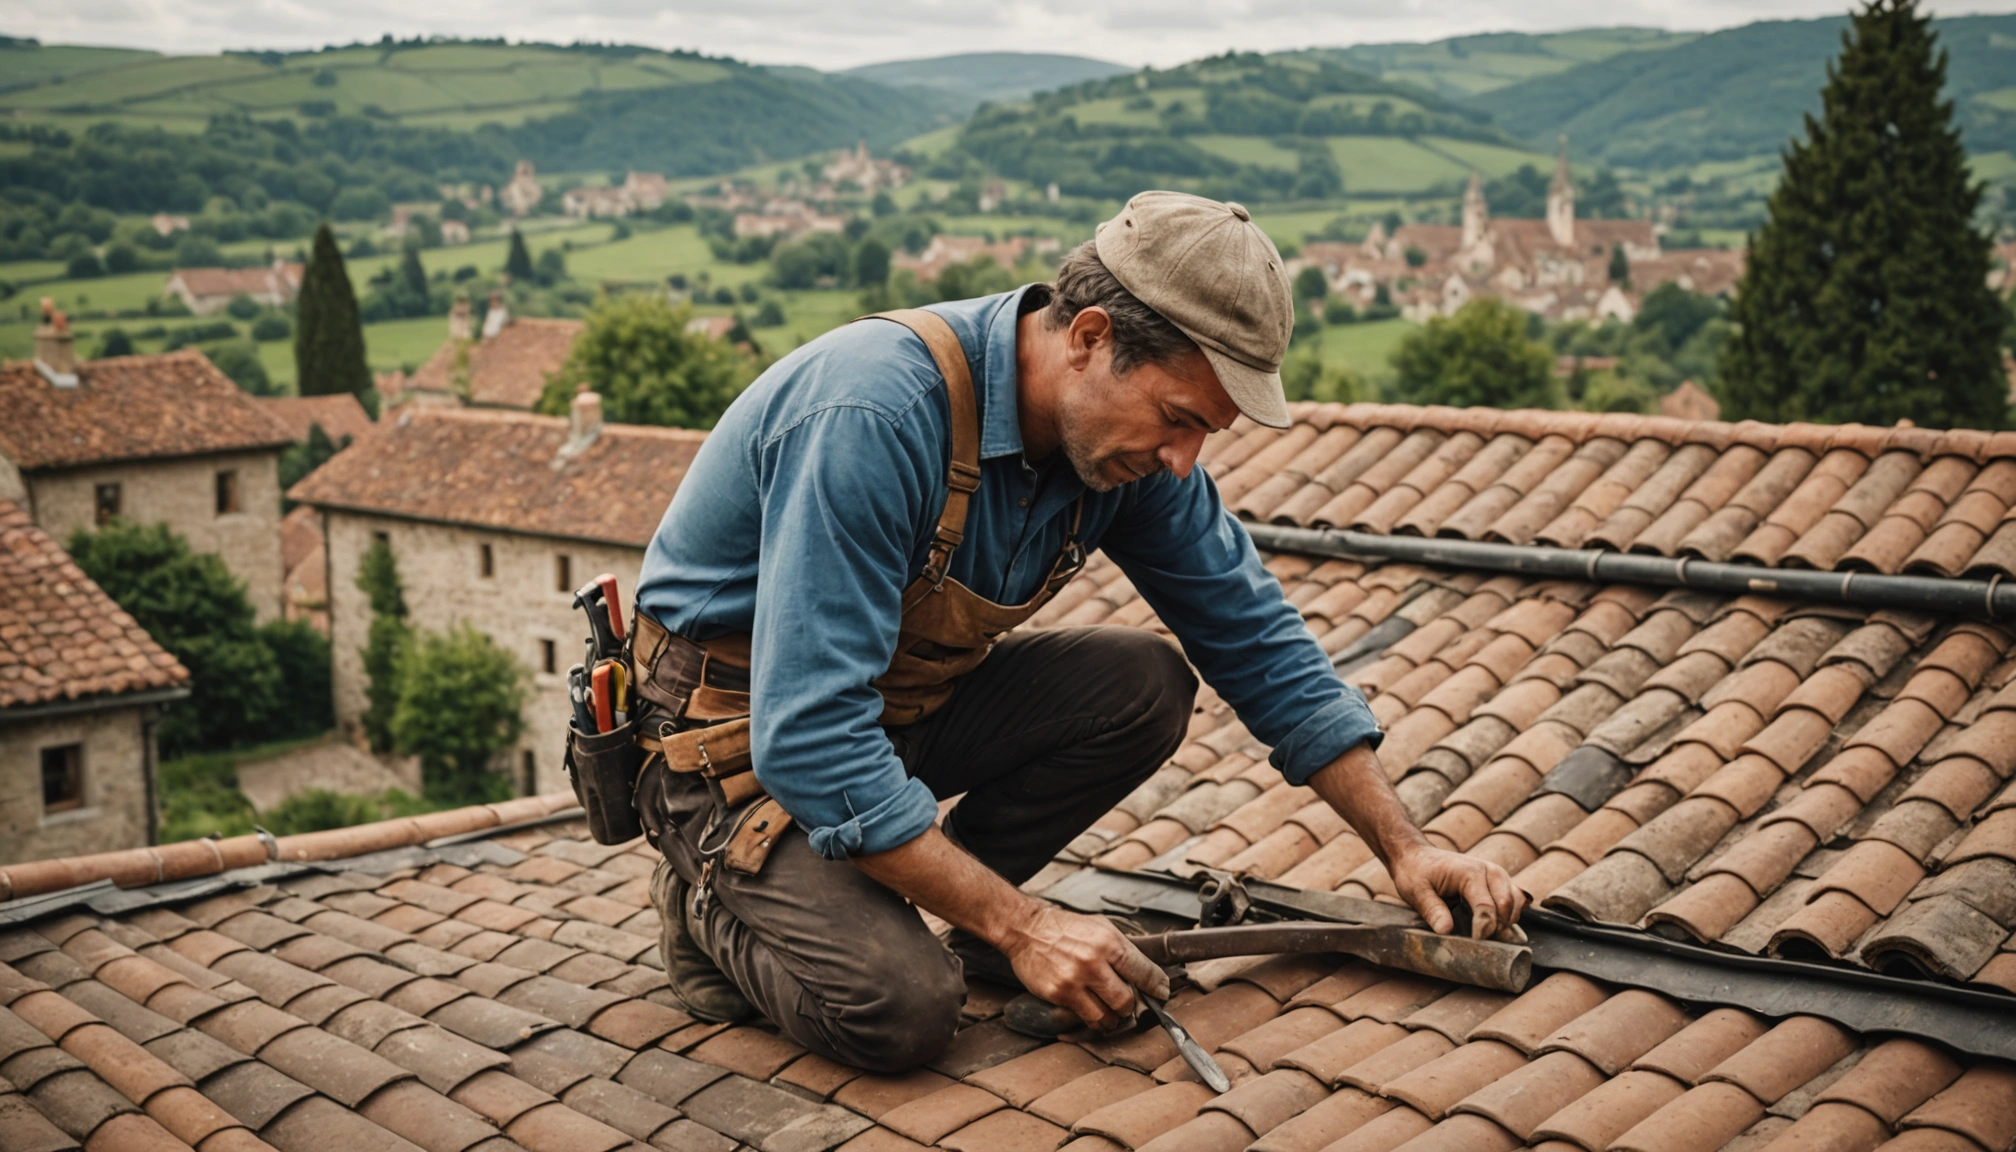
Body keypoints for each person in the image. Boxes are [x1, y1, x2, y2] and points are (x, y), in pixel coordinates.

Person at [629, 191, 1526, 1071]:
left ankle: (901, 897)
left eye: (1205, 433)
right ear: (1090, 339)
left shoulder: (1122, 458)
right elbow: (812, 739)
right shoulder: (876, 415)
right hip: (730, 751)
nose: (1183, 461)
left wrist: (1406, 850)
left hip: (888, 719)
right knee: (899, 1013)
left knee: (1143, 686)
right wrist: (1028, 926)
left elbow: (1256, 640)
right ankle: (711, 903)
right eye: (1179, 418)